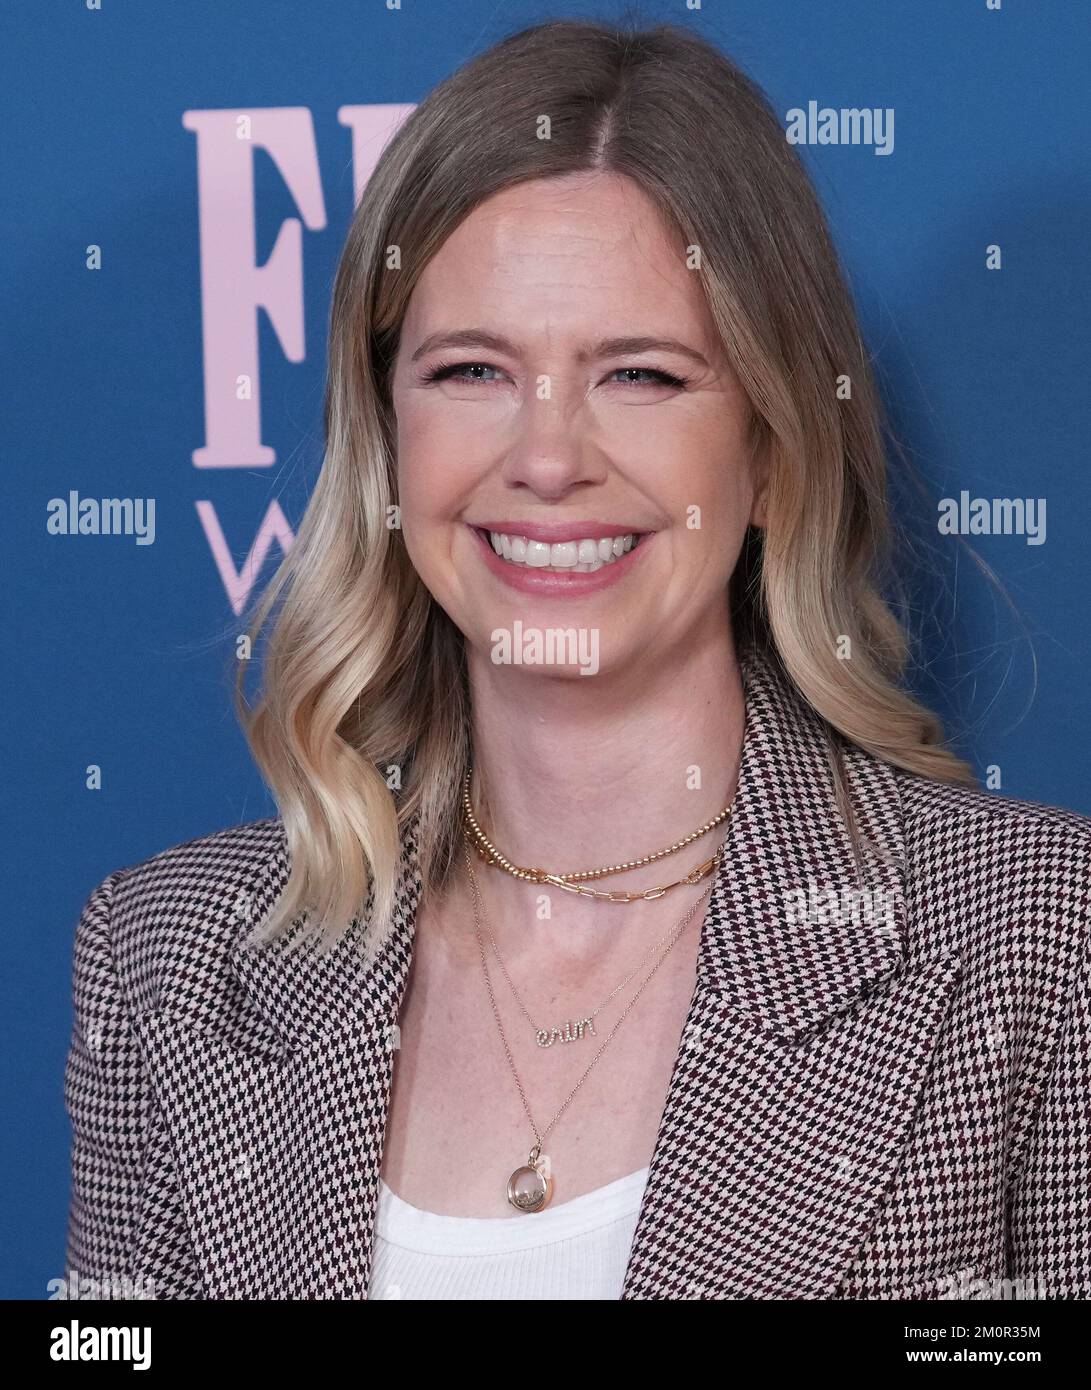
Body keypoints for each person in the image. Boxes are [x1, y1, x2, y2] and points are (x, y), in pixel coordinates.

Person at [63, 18, 1090, 1301]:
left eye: (641, 375)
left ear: (770, 448)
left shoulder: (1034, 936)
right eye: (474, 370)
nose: (546, 459)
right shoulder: (165, 961)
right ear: (388, 440)